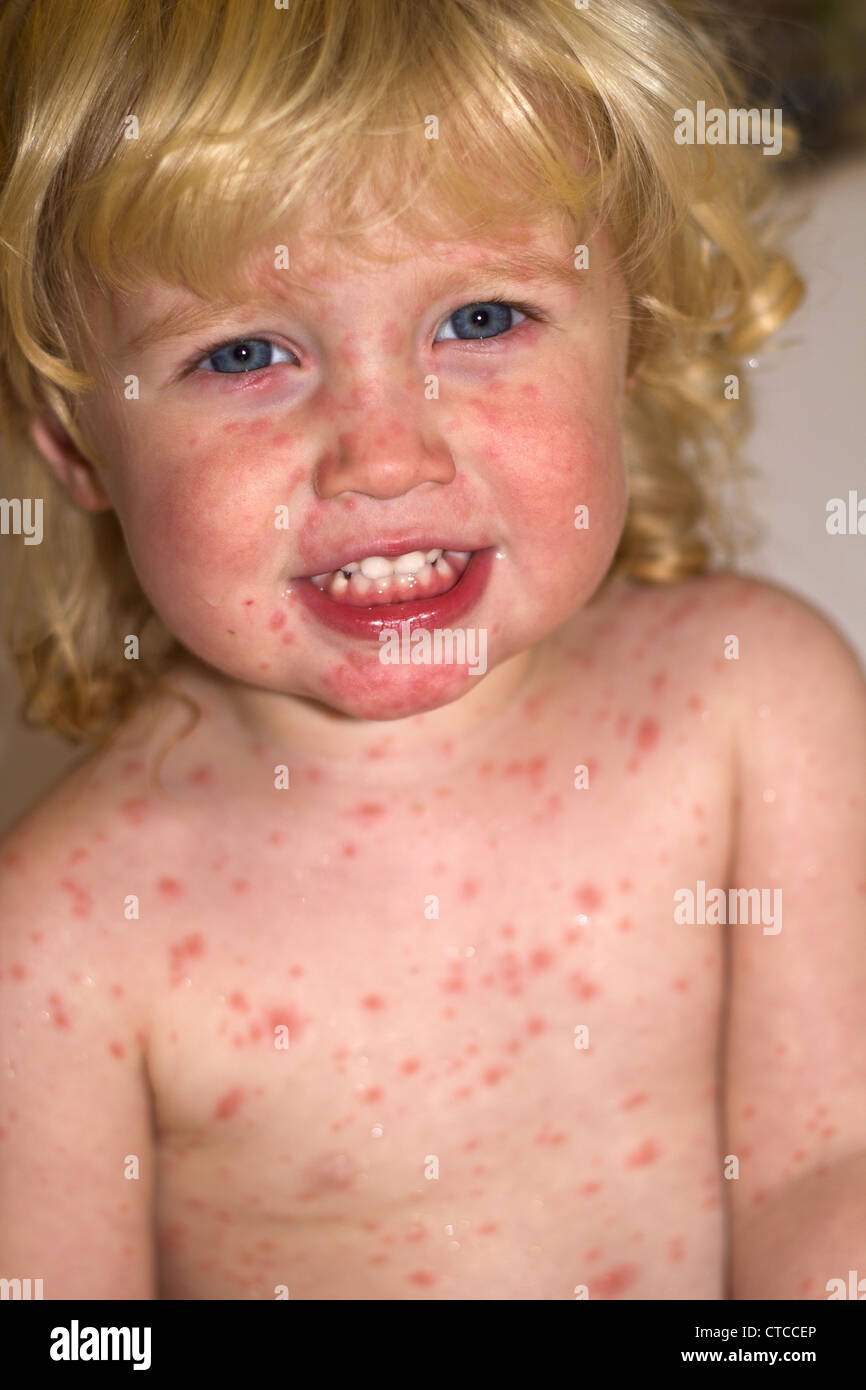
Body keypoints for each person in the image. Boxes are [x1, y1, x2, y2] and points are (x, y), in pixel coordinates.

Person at [0, 0, 863, 1301]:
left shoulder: (752, 709)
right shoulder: (60, 939)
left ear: (631, 334)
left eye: (478, 321)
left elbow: (824, 1169)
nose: (385, 454)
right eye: (245, 353)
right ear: (74, 446)